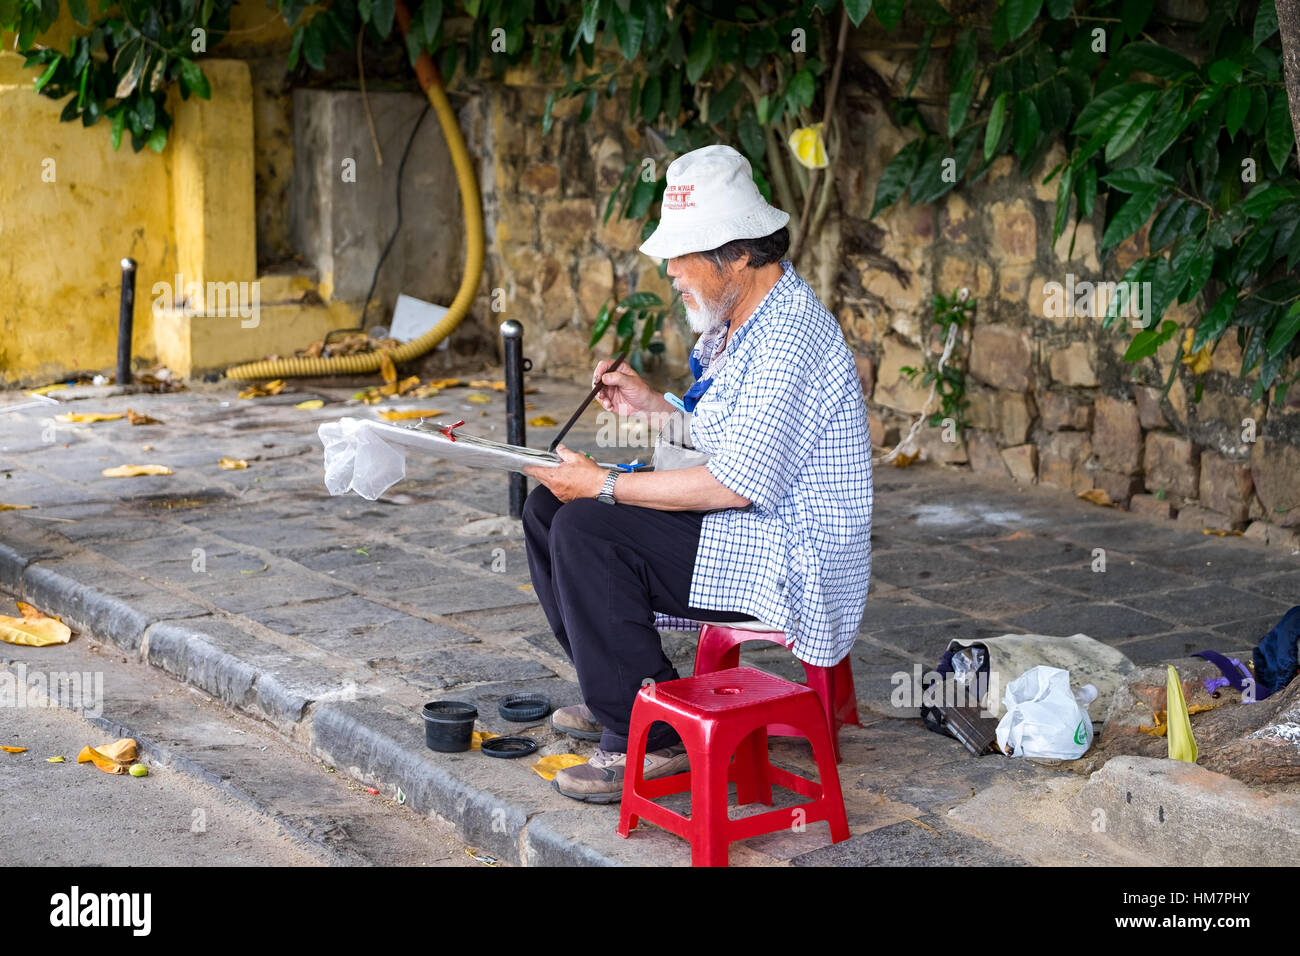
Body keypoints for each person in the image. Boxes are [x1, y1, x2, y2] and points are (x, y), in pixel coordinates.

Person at [522, 144, 873, 803]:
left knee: (587, 528)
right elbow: (723, 437)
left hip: (791, 556)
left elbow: (733, 484)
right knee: (545, 510)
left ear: (736, 254)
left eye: (684, 258)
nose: (673, 274)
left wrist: (603, 484)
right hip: (749, 523)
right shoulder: (741, 321)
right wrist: (653, 407)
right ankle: (624, 696)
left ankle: (646, 735)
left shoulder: (789, 335)